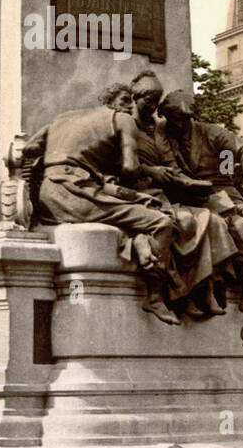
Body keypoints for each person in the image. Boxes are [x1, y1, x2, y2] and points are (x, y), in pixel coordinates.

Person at [22, 101, 180, 323]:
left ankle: (137, 241)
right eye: (130, 100)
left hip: (48, 197)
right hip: (79, 195)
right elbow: (130, 168)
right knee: (160, 220)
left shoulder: (63, 116)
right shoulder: (122, 118)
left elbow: (28, 149)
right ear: (121, 104)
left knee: (120, 211)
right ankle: (154, 296)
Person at [157, 91, 243, 325]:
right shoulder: (162, 135)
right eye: (174, 118)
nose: (180, 123)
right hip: (195, 199)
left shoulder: (210, 132)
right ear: (166, 116)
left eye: (185, 118)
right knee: (238, 227)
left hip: (227, 195)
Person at [124, 71, 241, 321]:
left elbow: (170, 164)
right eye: (148, 100)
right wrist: (151, 172)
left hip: (165, 194)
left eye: (156, 101)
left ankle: (204, 288)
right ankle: (182, 293)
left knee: (214, 220)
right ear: (135, 98)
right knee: (186, 221)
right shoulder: (124, 125)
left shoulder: (158, 130)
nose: (152, 107)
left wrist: (193, 184)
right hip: (140, 195)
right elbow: (125, 165)